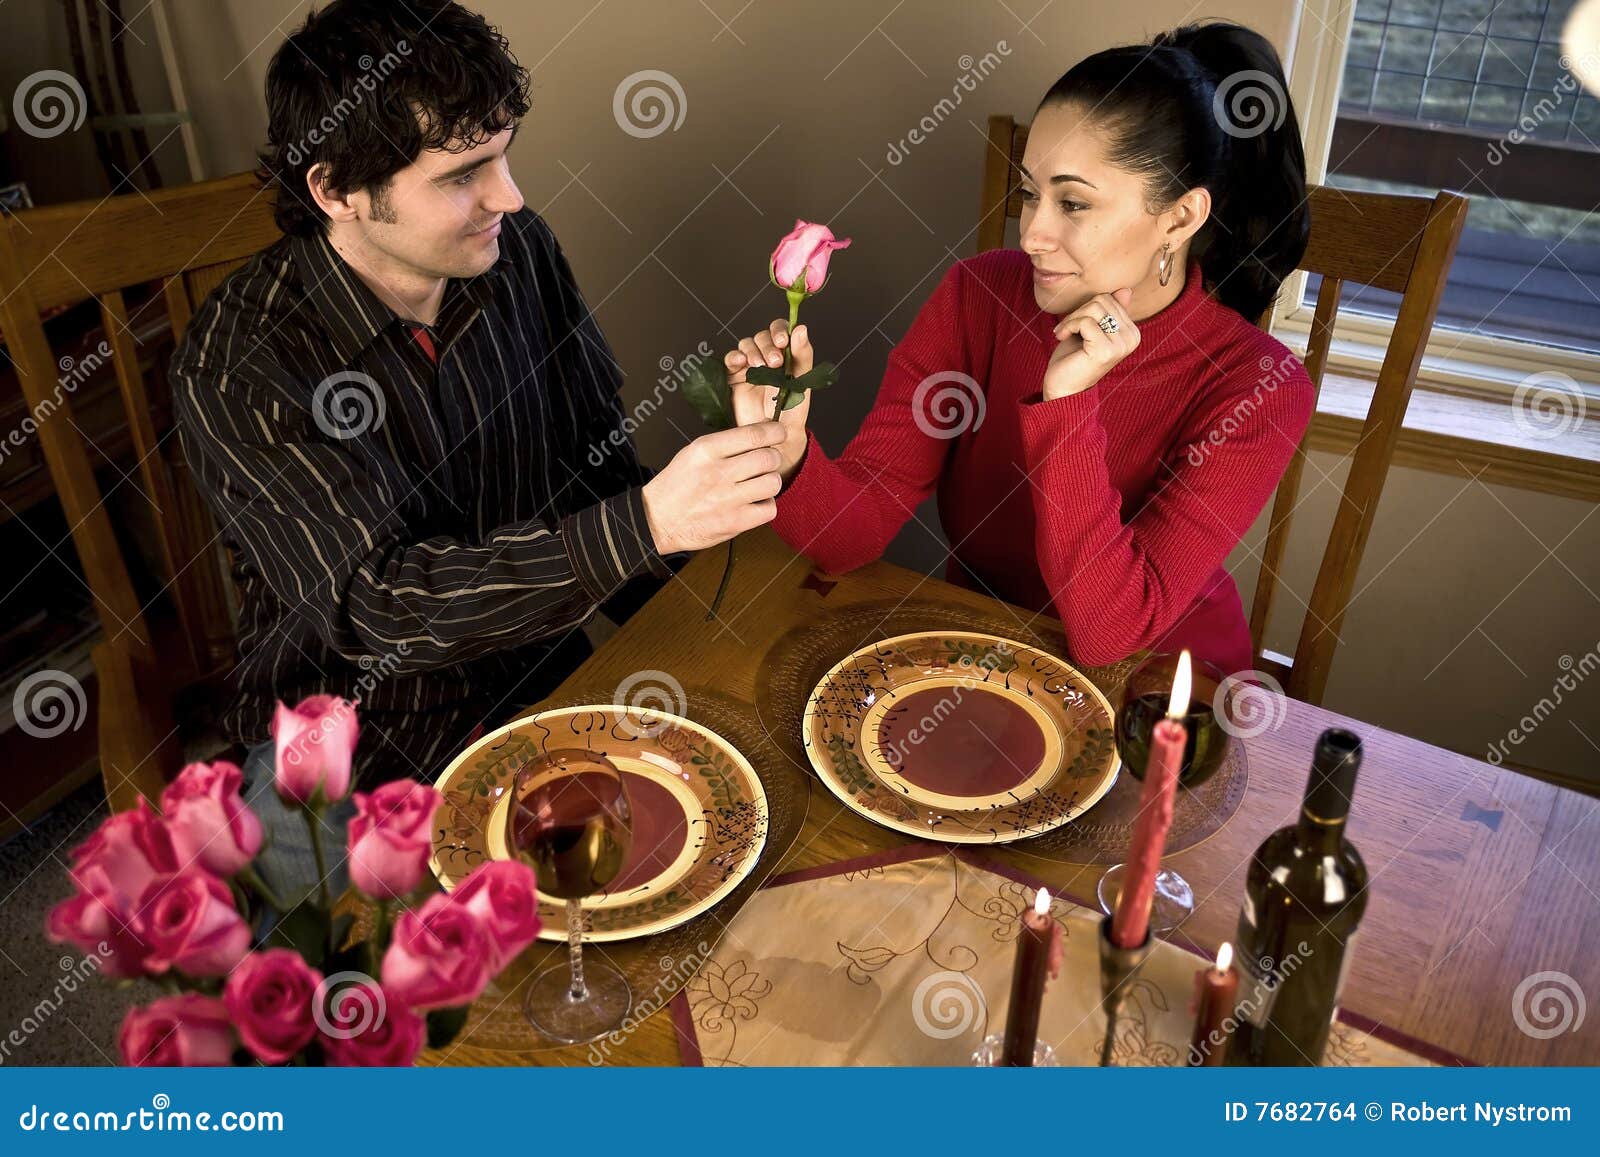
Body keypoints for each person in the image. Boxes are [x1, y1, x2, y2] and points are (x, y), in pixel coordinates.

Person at [172, 1, 785, 890]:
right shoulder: (240, 364)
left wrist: (751, 480)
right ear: (336, 191)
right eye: (463, 173)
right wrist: (648, 524)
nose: (511, 197)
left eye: (503, 154)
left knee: (732, 851)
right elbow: (374, 608)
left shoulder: (517, 252)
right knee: (428, 973)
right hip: (354, 749)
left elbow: (595, 467)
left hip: (544, 676)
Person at [727, 21, 1315, 678]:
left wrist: (1067, 404)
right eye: (1032, 194)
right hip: (984, 653)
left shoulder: (1262, 386)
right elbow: (850, 538)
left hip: (1159, 688)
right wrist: (789, 455)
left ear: (1179, 218)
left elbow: (1110, 633)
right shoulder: (977, 296)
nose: (1032, 233)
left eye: (1074, 203)